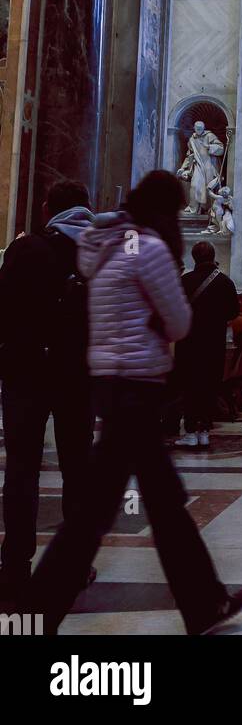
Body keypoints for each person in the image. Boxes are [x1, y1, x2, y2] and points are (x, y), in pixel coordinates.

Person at [27, 171, 242, 636]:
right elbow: (179, 321)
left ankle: (205, 600)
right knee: (98, 514)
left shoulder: (101, 249)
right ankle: (38, 611)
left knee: (162, 503)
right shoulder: (145, 249)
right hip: (138, 386)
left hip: (108, 380)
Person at [0, 180, 95, 605]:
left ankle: (14, 564)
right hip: (77, 374)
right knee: (77, 470)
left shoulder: (24, 249)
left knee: (21, 469)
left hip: (24, 372)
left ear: (45, 209)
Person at [172, 241, 239, 448]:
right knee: (210, 387)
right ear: (213, 256)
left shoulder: (185, 281)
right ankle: (205, 430)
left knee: (191, 387)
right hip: (214, 345)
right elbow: (233, 313)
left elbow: (175, 311)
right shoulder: (226, 283)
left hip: (189, 344)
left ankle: (191, 430)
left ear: (194, 258)